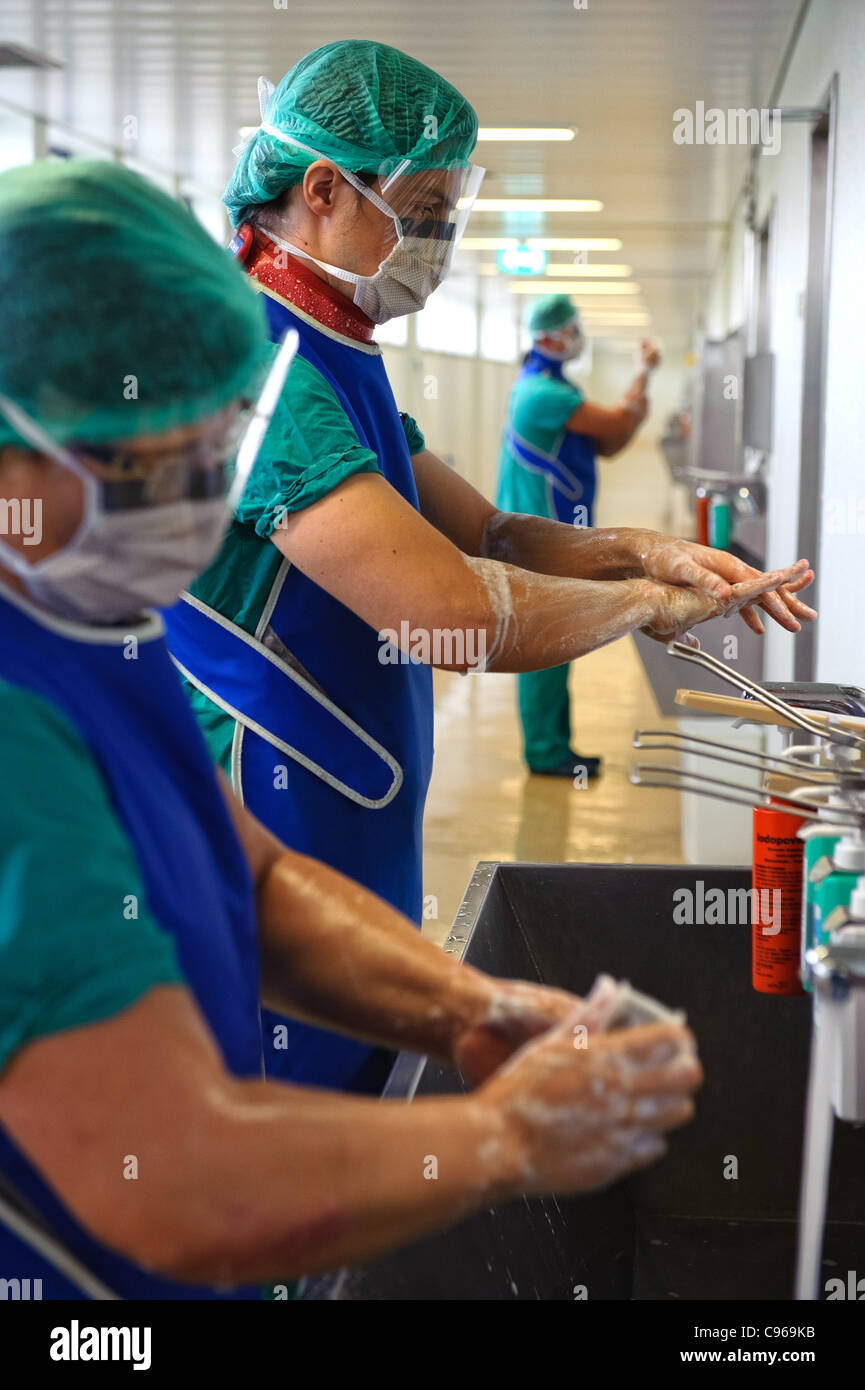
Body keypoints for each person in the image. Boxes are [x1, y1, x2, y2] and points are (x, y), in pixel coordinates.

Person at [0, 159, 705, 1300]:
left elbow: (257, 878)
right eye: (143, 468)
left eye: (211, 452)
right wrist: (508, 1139)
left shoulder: (84, 619)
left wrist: (469, 1007)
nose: (199, 498)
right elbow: (179, 1178)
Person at [164, 38, 816, 1093]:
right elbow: (461, 613)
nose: (440, 238)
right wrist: (642, 606)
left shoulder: (338, 352)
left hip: (358, 804)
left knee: (363, 1091)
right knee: (295, 1113)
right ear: (322, 188)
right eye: (419, 207)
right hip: (275, 800)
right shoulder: (263, 368)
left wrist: (644, 550)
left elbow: (497, 535)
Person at [496, 293, 661, 778]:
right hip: (537, 539)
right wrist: (644, 373)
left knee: (556, 642)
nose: (576, 336)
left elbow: (609, 443)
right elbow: (615, 426)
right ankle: (546, 752)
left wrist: (636, 397)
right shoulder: (543, 395)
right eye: (569, 329)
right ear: (546, 335)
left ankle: (555, 746)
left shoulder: (550, 385)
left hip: (547, 536)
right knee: (545, 644)